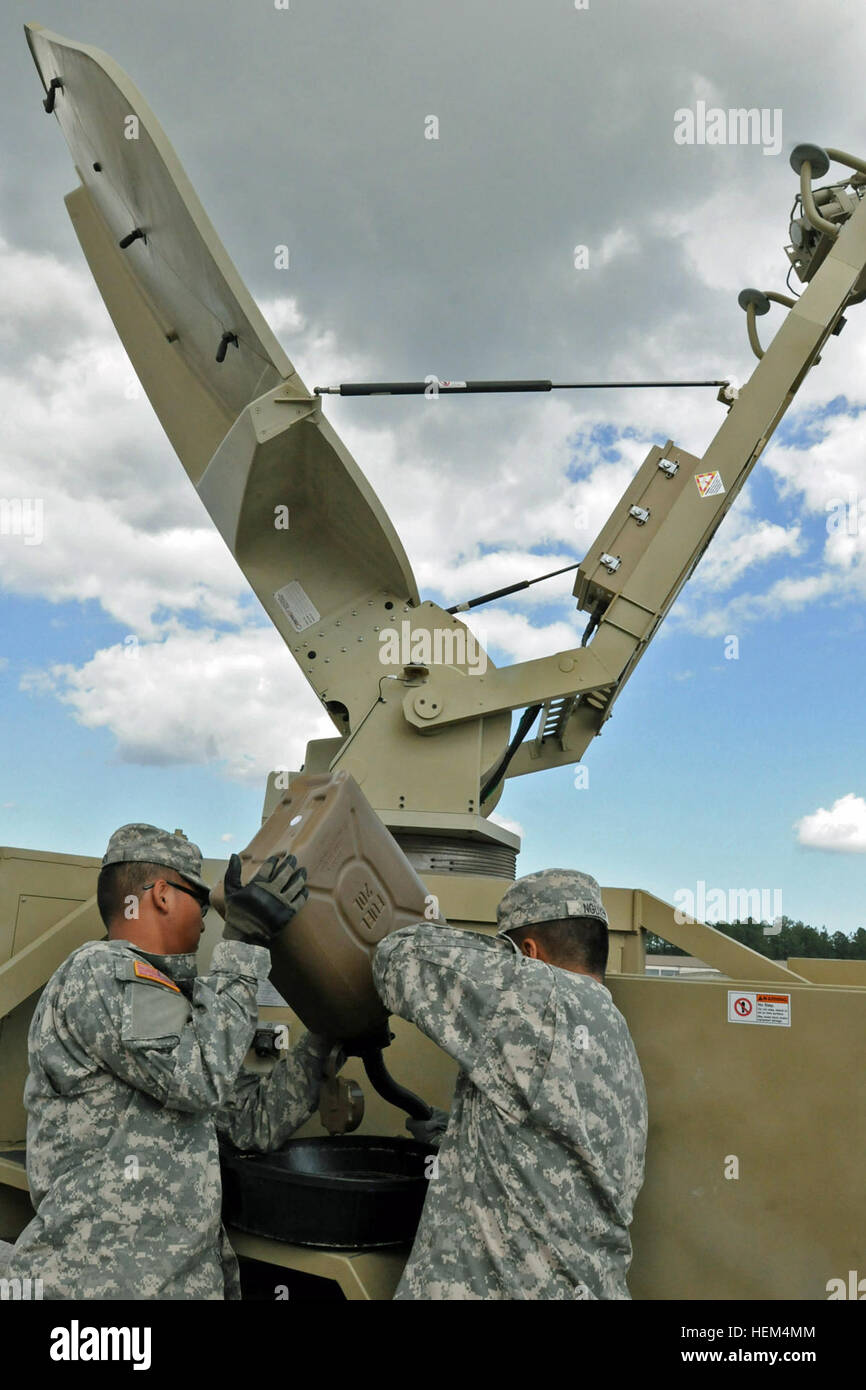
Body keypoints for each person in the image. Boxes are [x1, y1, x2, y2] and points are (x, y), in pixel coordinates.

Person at [3, 822, 331, 1300]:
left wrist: (323, 1041)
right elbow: (199, 1078)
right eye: (199, 899)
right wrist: (244, 939)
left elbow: (247, 1122)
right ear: (159, 894)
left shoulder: (170, 1004)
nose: (205, 916)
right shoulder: (99, 972)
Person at [372, 868, 648, 1300]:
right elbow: (556, 1148)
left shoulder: (540, 995)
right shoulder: (611, 1025)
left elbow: (399, 954)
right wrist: (457, 1134)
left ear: (529, 953)